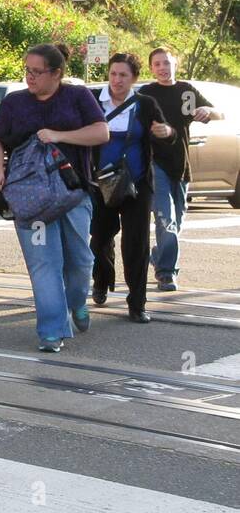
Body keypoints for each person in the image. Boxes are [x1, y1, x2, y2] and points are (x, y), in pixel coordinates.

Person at [0, 43, 109, 352]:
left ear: (56, 73)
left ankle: (77, 301)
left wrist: (59, 135)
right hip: (32, 197)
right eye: (27, 70)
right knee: (44, 265)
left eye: (37, 72)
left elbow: (101, 132)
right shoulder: (14, 103)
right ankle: (52, 331)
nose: (30, 77)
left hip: (73, 192)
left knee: (80, 261)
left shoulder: (78, 96)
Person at [89, 53, 171, 323]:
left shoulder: (145, 104)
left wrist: (166, 133)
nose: (117, 80)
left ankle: (137, 302)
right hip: (100, 183)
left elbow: (164, 133)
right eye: (113, 74)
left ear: (134, 78)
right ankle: (101, 280)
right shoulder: (92, 100)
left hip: (137, 184)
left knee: (136, 243)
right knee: (100, 238)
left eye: (123, 75)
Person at [137, 47, 225, 291]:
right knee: (166, 219)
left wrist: (208, 111)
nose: (163, 68)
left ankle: (158, 256)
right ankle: (167, 273)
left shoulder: (187, 90)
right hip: (155, 163)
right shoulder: (146, 93)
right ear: (151, 68)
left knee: (177, 221)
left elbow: (219, 113)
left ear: (175, 64)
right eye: (157, 64)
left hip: (181, 163)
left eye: (166, 62)